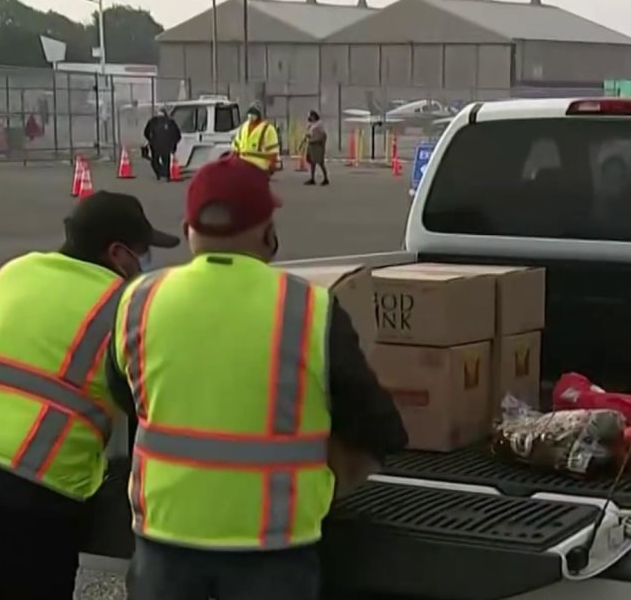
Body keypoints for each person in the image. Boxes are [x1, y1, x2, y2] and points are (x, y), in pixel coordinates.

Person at [108, 154, 407, 600]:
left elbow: (124, 395)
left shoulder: (139, 300)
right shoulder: (309, 308)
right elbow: (377, 424)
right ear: (268, 233)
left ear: (188, 230)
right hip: (272, 544)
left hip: (165, 532)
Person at [0, 191, 179, 600]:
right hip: (32, 483)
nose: (146, 264)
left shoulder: (16, 271)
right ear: (118, 253)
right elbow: (147, 401)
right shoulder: (127, 305)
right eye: (143, 253)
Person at [231, 104, 280, 175]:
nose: (251, 115)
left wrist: (272, 164)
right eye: (250, 113)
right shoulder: (243, 127)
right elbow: (236, 146)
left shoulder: (268, 129)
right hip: (243, 166)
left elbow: (273, 151)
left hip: (259, 167)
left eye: (253, 113)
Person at [143, 106, 182, 181]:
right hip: (167, 145)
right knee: (166, 160)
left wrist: (150, 140)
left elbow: (146, 132)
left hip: (155, 144)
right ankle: (166, 174)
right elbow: (177, 135)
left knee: (155, 160)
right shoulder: (170, 121)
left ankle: (160, 173)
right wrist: (173, 144)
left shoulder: (153, 121)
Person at [303, 110, 330, 186]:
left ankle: (326, 178)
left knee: (320, 162)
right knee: (312, 163)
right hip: (311, 144)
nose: (310, 117)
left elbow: (323, 135)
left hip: (317, 145)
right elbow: (310, 134)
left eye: (311, 116)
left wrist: (321, 144)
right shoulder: (311, 124)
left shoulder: (319, 124)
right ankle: (312, 178)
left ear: (314, 116)